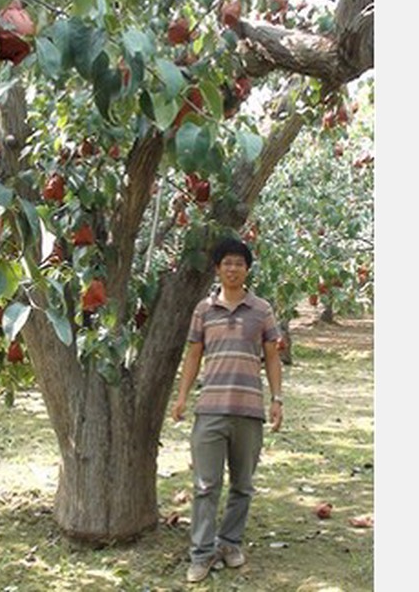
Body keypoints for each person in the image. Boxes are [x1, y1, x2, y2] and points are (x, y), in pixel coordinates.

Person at [171, 237, 284, 583]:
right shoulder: (204, 310)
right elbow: (193, 354)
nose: (233, 268)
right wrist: (181, 397)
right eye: (227, 263)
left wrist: (277, 399)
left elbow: (272, 356)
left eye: (239, 263)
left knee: (243, 485)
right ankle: (202, 554)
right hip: (211, 409)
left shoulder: (261, 310)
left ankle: (230, 543)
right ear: (218, 269)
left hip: (250, 409)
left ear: (247, 268)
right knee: (206, 484)